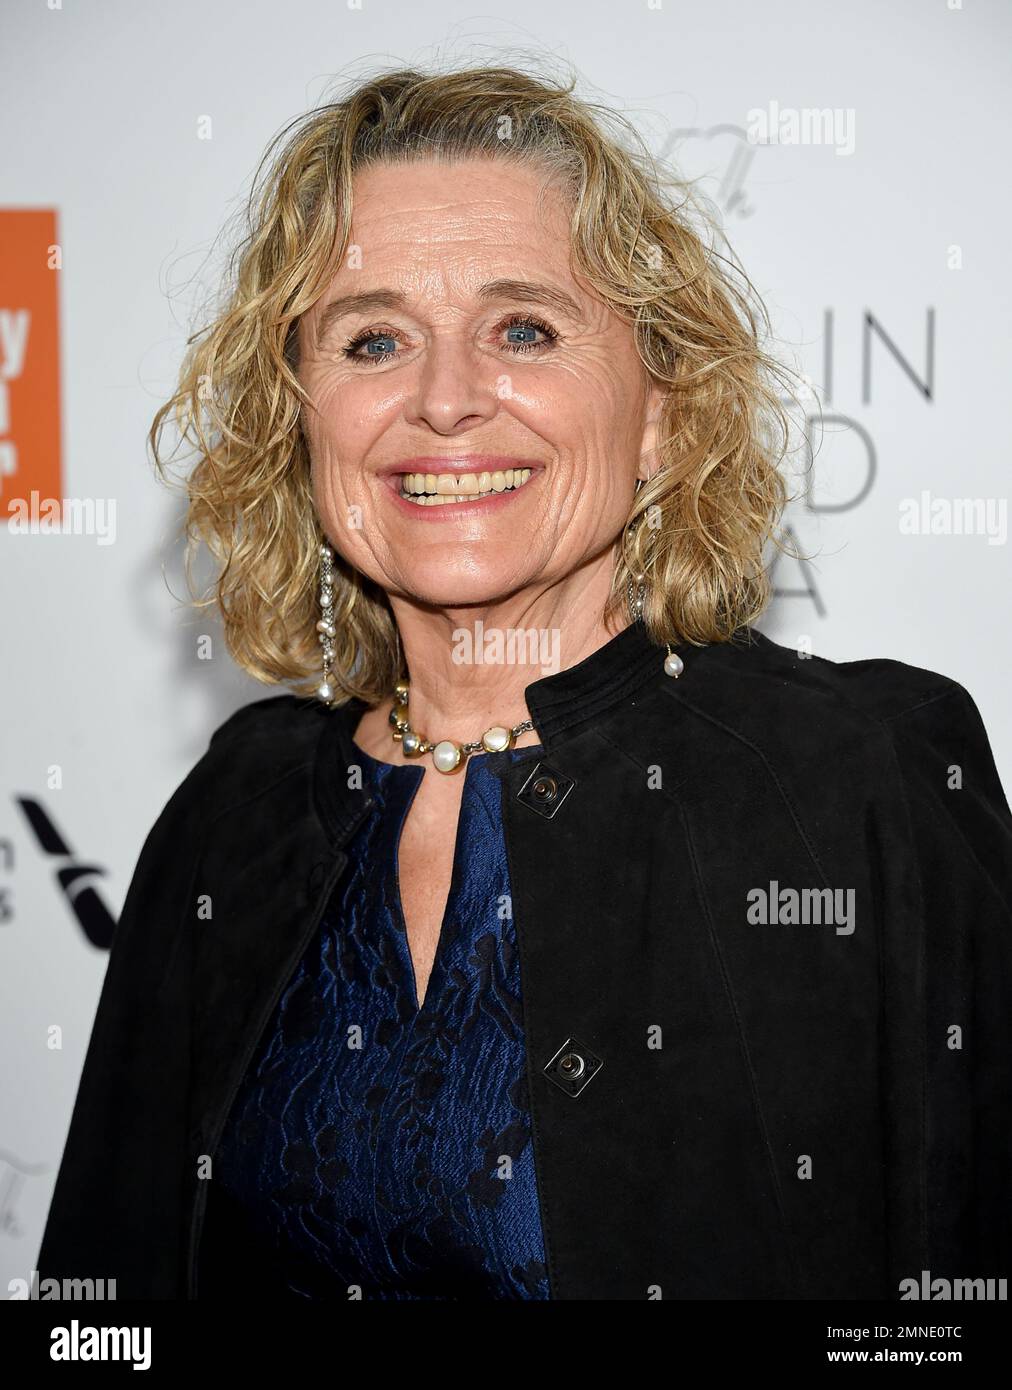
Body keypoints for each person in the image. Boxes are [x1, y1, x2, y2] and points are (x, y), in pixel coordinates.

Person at [36, 62, 1011, 1301]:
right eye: (374, 338)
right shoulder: (238, 810)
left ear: (660, 410)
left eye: (524, 330)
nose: (443, 399)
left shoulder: (858, 778)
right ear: (299, 421)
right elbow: (99, 1311)